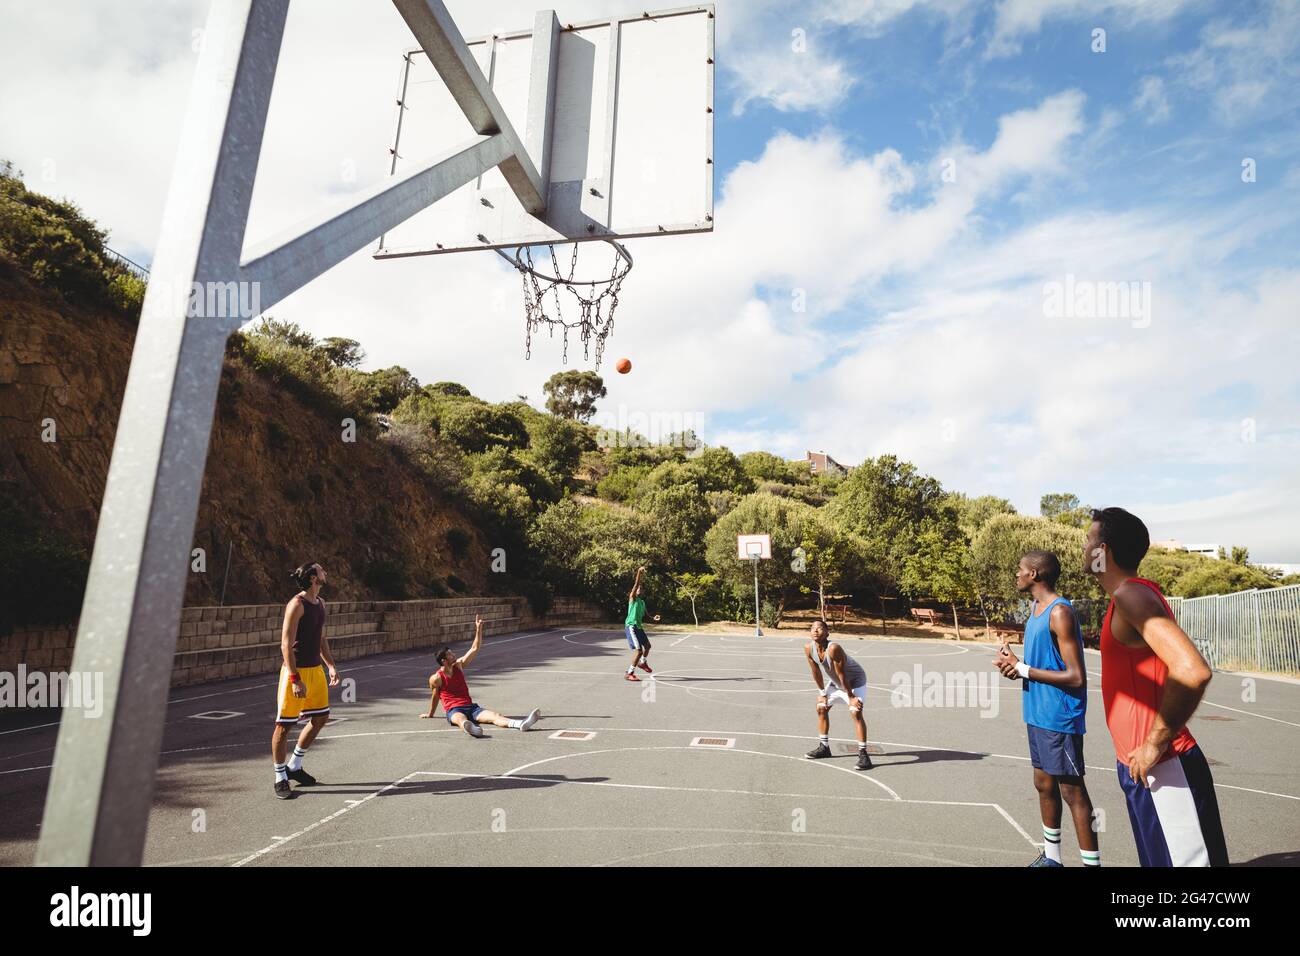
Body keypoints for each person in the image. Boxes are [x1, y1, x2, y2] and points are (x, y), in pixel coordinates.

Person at [1085, 507, 1228, 866]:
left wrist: (1153, 744)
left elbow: (1193, 671)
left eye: (1089, 540)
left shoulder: (1131, 597)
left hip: (1163, 765)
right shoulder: (1128, 598)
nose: (1084, 548)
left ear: (1104, 552)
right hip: (1142, 765)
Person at [994, 551, 1100, 867]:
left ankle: (1092, 865)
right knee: (1042, 784)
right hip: (1037, 712)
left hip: (1059, 716)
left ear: (1036, 574)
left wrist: (1023, 669)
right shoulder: (1036, 609)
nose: (1017, 574)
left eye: (1020, 570)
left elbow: (1076, 675)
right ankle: (1052, 859)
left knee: (1073, 792)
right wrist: (1014, 667)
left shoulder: (1060, 612)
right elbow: (1040, 664)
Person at [272, 561, 339, 800]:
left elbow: (322, 638)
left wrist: (330, 665)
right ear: (312, 577)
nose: (325, 572)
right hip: (296, 671)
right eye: (322, 569)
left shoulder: (321, 604)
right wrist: (294, 678)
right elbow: (285, 644)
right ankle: (280, 777)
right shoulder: (296, 605)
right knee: (284, 725)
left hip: (315, 670)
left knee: (321, 717)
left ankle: (295, 766)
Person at [420, 614, 540, 735]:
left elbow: (474, 648)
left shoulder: (459, 666)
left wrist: (478, 629)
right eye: (450, 654)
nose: (454, 655)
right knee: (460, 719)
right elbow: (435, 697)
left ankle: (520, 724)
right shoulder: (436, 678)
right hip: (454, 709)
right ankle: (472, 729)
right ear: (444, 661)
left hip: (471, 707)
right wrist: (430, 714)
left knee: (495, 716)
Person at [803, 620, 873, 771]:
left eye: (820, 628)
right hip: (836, 682)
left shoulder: (833, 648)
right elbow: (816, 672)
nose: (816, 631)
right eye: (813, 628)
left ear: (827, 632)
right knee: (821, 707)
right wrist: (822, 693)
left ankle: (863, 754)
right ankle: (824, 748)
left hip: (854, 682)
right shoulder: (809, 648)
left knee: (856, 712)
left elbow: (842, 675)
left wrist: (852, 698)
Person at [623, 565, 654, 682]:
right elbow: (635, 584)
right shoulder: (633, 598)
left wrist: (653, 618)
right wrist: (639, 573)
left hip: (639, 627)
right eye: (637, 588)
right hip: (631, 626)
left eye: (641, 588)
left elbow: (646, 615)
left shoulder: (642, 602)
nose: (639, 589)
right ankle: (629, 672)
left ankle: (643, 663)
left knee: (648, 646)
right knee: (639, 651)